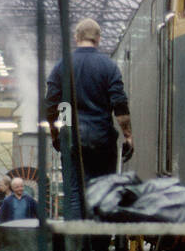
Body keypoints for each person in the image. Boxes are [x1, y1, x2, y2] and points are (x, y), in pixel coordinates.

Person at [44, 18, 133, 188]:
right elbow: (120, 106)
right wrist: (128, 136)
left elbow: (51, 107)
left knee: (75, 194)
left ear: (76, 37)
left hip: (71, 139)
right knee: (103, 192)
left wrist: (56, 135)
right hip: (102, 140)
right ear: (98, 38)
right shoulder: (109, 66)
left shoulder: (62, 66)